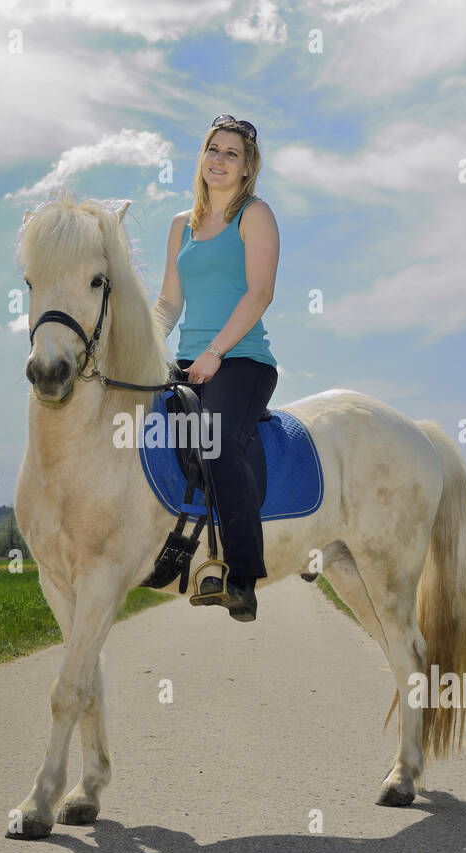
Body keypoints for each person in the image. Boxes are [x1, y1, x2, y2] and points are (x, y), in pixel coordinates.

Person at [153, 114, 279, 622]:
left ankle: (243, 577)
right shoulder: (180, 225)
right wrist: (143, 345)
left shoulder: (255, 214)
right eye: (213, 149)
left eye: (232, 153)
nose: (219, 160)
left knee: (215, 439)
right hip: (187, 362)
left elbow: (260, 293)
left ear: (248, 168)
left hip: (243, 359)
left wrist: (216, 352)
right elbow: (168, 302)